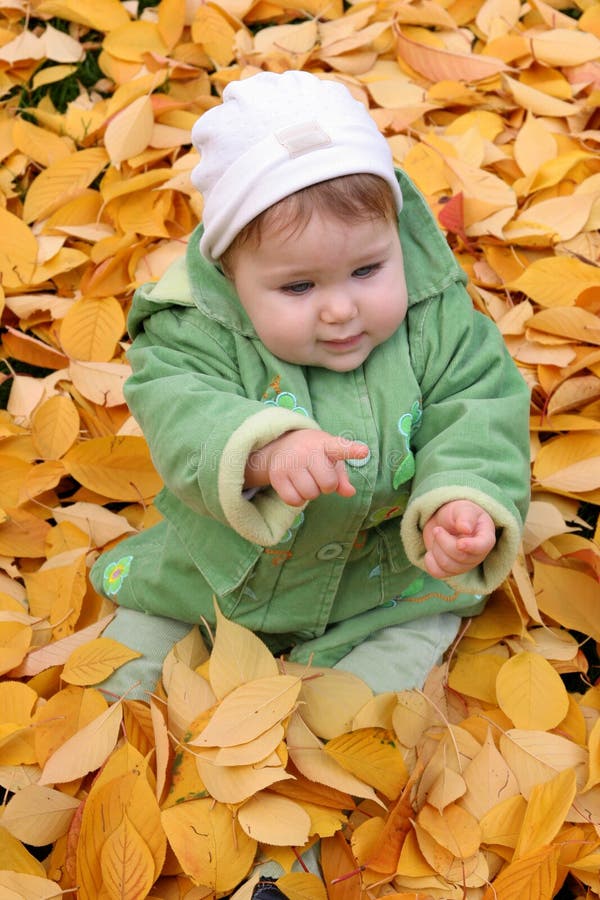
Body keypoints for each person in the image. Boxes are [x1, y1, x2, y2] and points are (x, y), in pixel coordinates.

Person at [90, 70, 530, 698]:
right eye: (299, 286)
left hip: (384, 575)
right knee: (123, 672)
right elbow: (178, 408)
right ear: (230, 277)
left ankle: (348, 703)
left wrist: (460, 500)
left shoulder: (436, 320)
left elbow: (477, 407)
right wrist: (264, 451)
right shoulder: (196, 330)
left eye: (368, 269)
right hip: (222, 569)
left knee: (368, 696)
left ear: (397, 238)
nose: (341, 310)